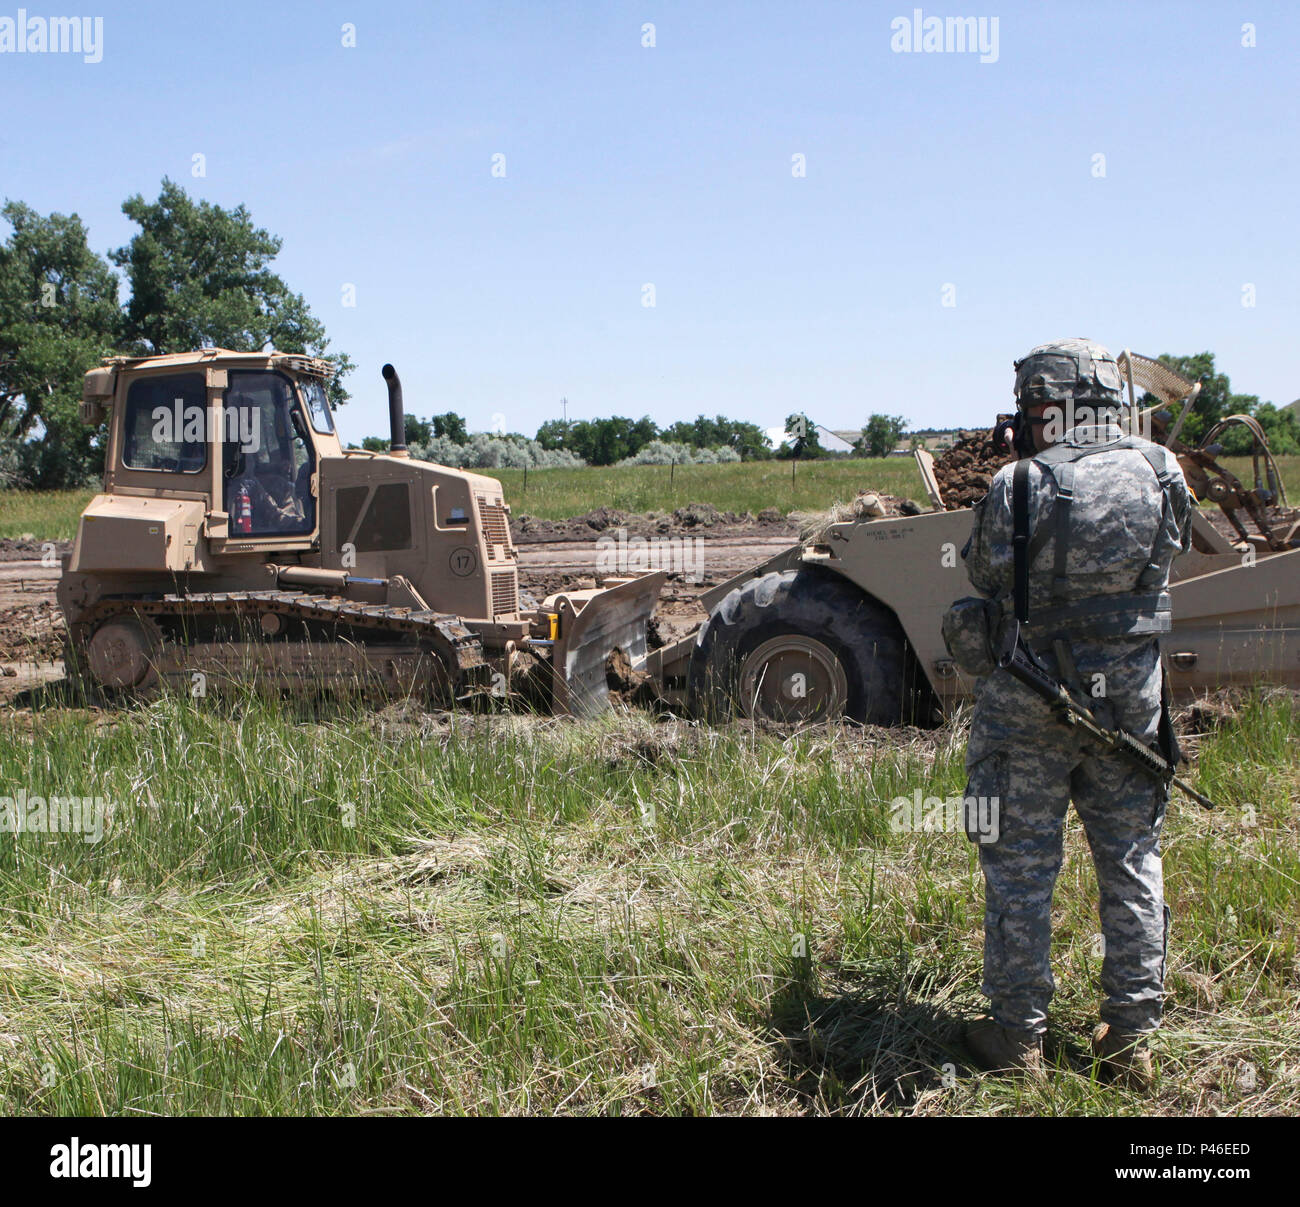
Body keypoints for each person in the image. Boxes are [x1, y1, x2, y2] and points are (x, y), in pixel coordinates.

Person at [956, 338, 1193, 1088]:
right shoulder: (1161, 471)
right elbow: (1173, 553)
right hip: (1129, 703)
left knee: (1021, 870)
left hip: (1029, 698)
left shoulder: (1017, 484)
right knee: (1131, 861)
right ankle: (1130, 1039)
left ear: (1047, 408)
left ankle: (1017, 1037)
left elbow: (984, 569)